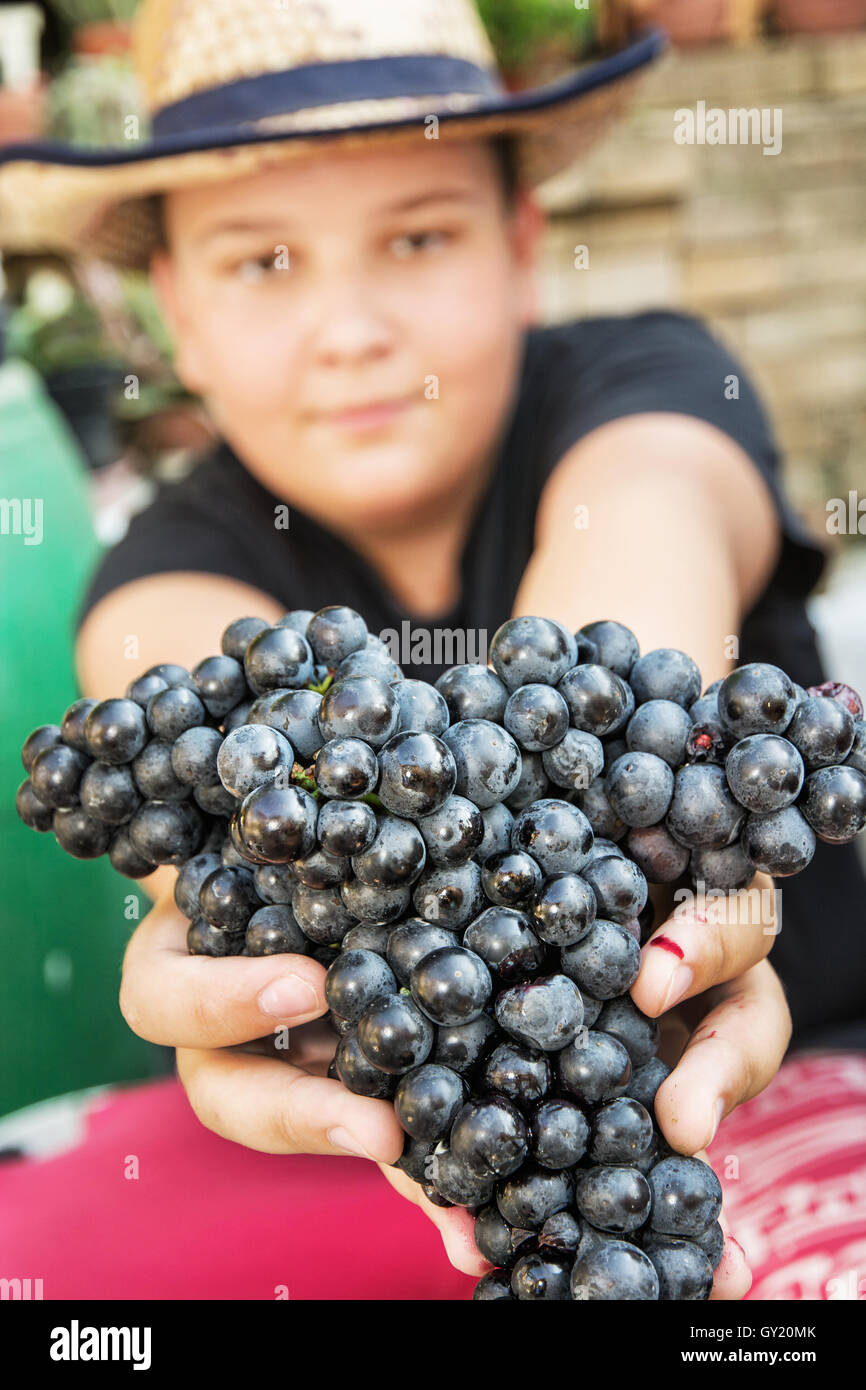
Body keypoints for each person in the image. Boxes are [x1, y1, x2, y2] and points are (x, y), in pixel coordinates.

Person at [1, 0, 864, 1301]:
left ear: (521, 245)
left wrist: (548, 842)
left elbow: (637, 567)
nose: (350, 327)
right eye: (263, 261)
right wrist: (241, 892)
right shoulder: (175, 553)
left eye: (415, 236)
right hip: (429, 1144)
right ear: (171, 309)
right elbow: (168, 696)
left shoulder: (646, 383)